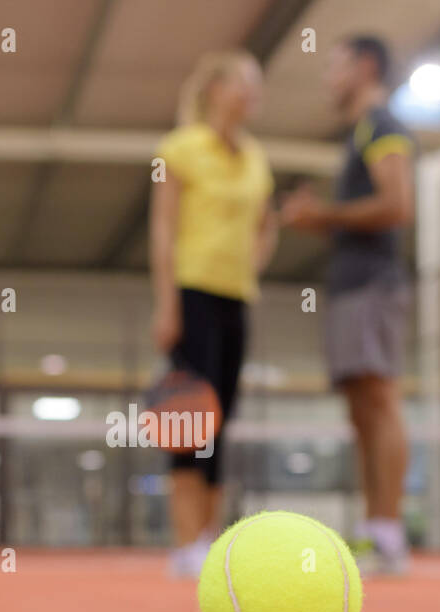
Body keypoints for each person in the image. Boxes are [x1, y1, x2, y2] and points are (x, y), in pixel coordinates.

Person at [280, 35, 416, 573]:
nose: (327, 77)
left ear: (365, 66)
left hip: (374, 285)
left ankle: (388, 529)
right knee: (361, 408)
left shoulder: (382, 126)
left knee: (379, 398)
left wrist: (326, 216)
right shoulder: (361, 133)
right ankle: (375, 527)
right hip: (352, 284)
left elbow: (397, 204)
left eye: (335, 65)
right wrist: (321, 221)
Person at [150, 51, 277, 577]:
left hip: (235, 297)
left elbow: (267, 224)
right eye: (243, 83)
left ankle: (210, 541)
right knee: (189, 415)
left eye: (257, 85)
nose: (252, 93)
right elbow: (162, 228)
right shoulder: (180, 148)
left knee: (222, 417)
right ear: (217, 89)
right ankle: (184, 543)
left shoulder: (256, 158)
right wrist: (167, 303)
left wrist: (252, 267)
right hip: (191, 290)